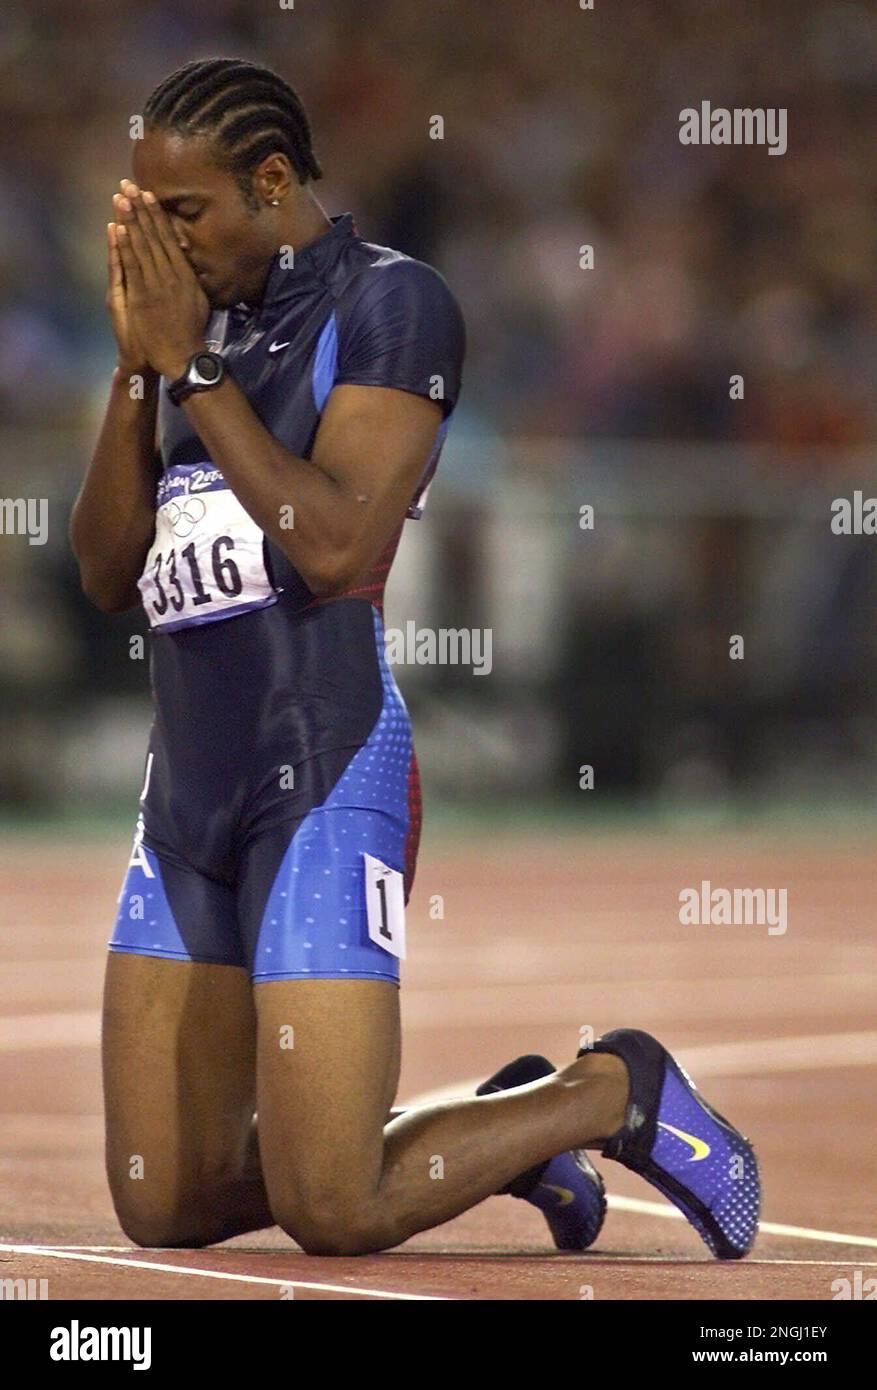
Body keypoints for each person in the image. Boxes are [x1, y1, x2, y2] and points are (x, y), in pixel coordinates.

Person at [70, 58, 759, 1259]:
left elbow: (337, 546)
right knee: (164, 1199)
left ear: (270, 182)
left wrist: (194, 369)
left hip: (321, 774)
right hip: (183, 793)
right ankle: (507, 1134)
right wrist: (139, 370)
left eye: (183, 214)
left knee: (331, 1206)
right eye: (148, 219)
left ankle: (610, 1090)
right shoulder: (190, 332)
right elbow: (104, 571)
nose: (165, 249)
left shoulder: (392, 304)